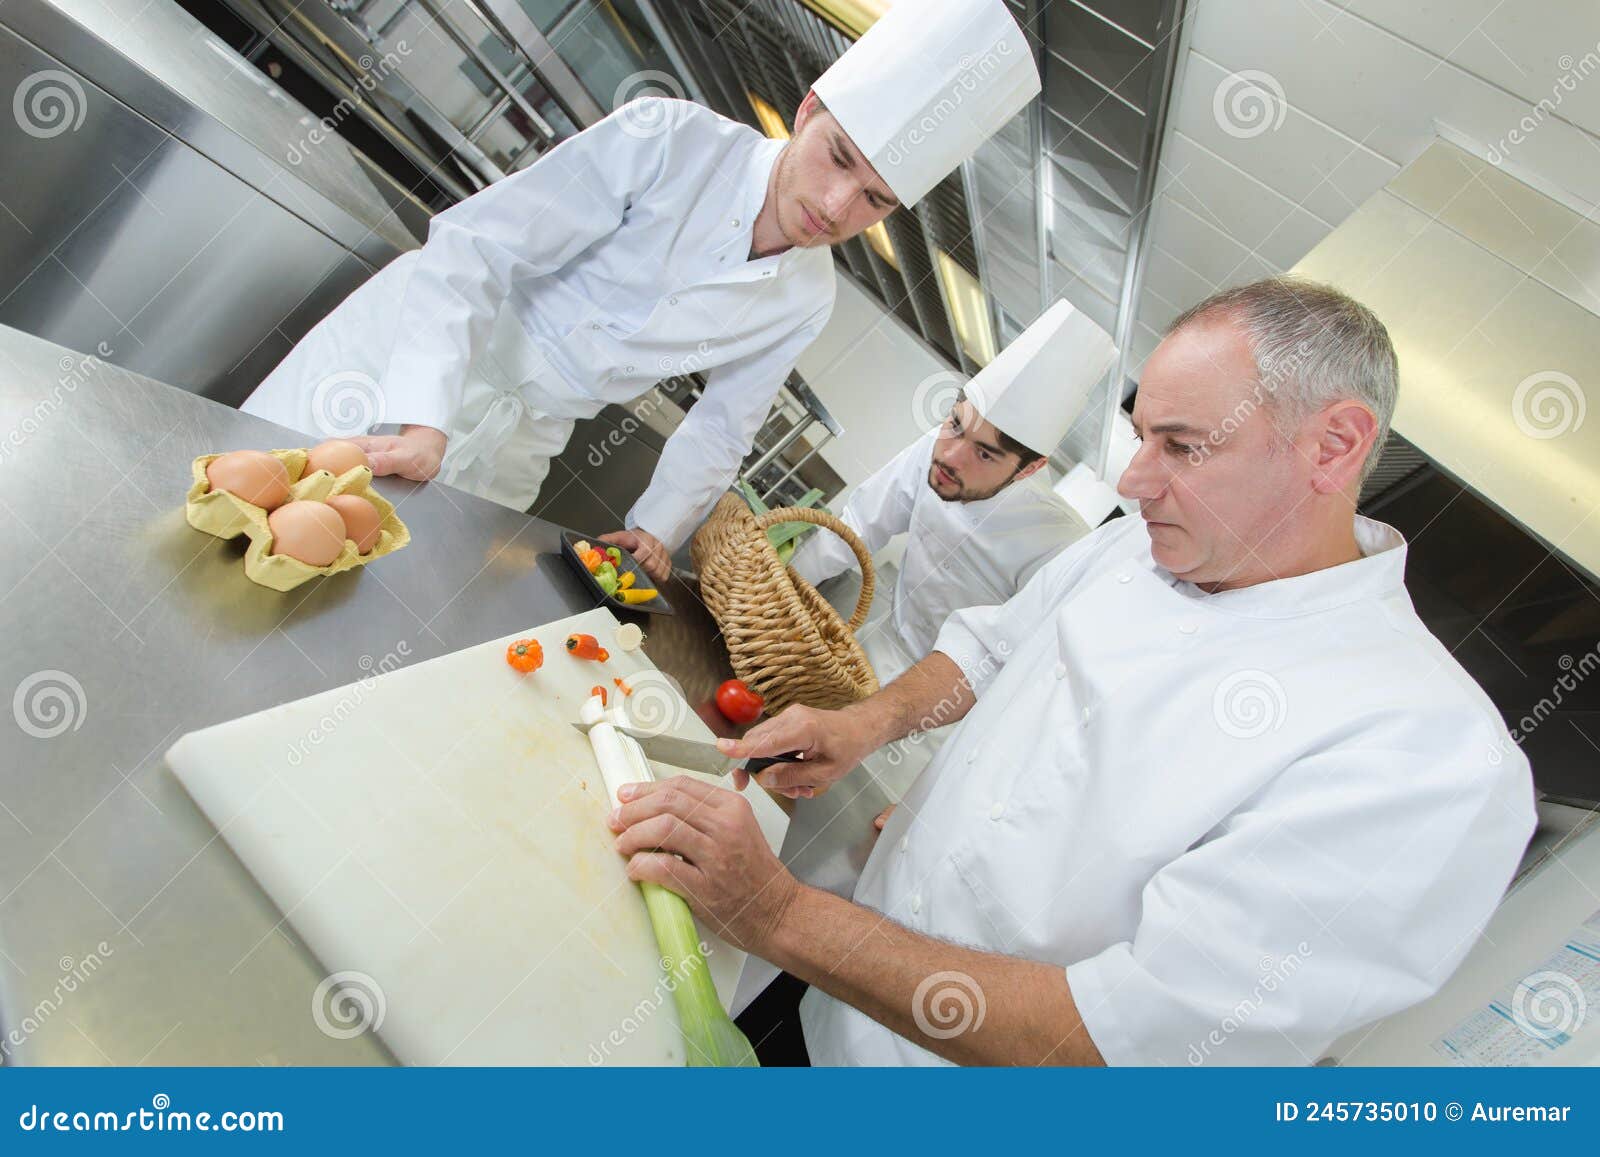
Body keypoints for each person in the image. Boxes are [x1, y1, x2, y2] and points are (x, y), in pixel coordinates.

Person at [606, 276, 1537, 1065]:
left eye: (1181, 446)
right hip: (826, 997)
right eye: (1143, 437)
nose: (1133, 481)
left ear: (1332, 446)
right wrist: (867, 723)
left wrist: (774, 913)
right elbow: (992, 645)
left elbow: (1116, 1042)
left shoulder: (1428, 756)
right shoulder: (1141, 549)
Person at [241, 0, 1039, 582]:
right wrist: (423, 414)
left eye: (873, 201)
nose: (836, 208)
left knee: (391, 595)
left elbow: (722, 427)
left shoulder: (807, 299)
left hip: (526, 440)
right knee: (250, 523)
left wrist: (656, 528)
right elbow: (480, 246)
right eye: (838, 158)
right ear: (806, 110)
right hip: (409, 368)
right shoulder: (670, 140)